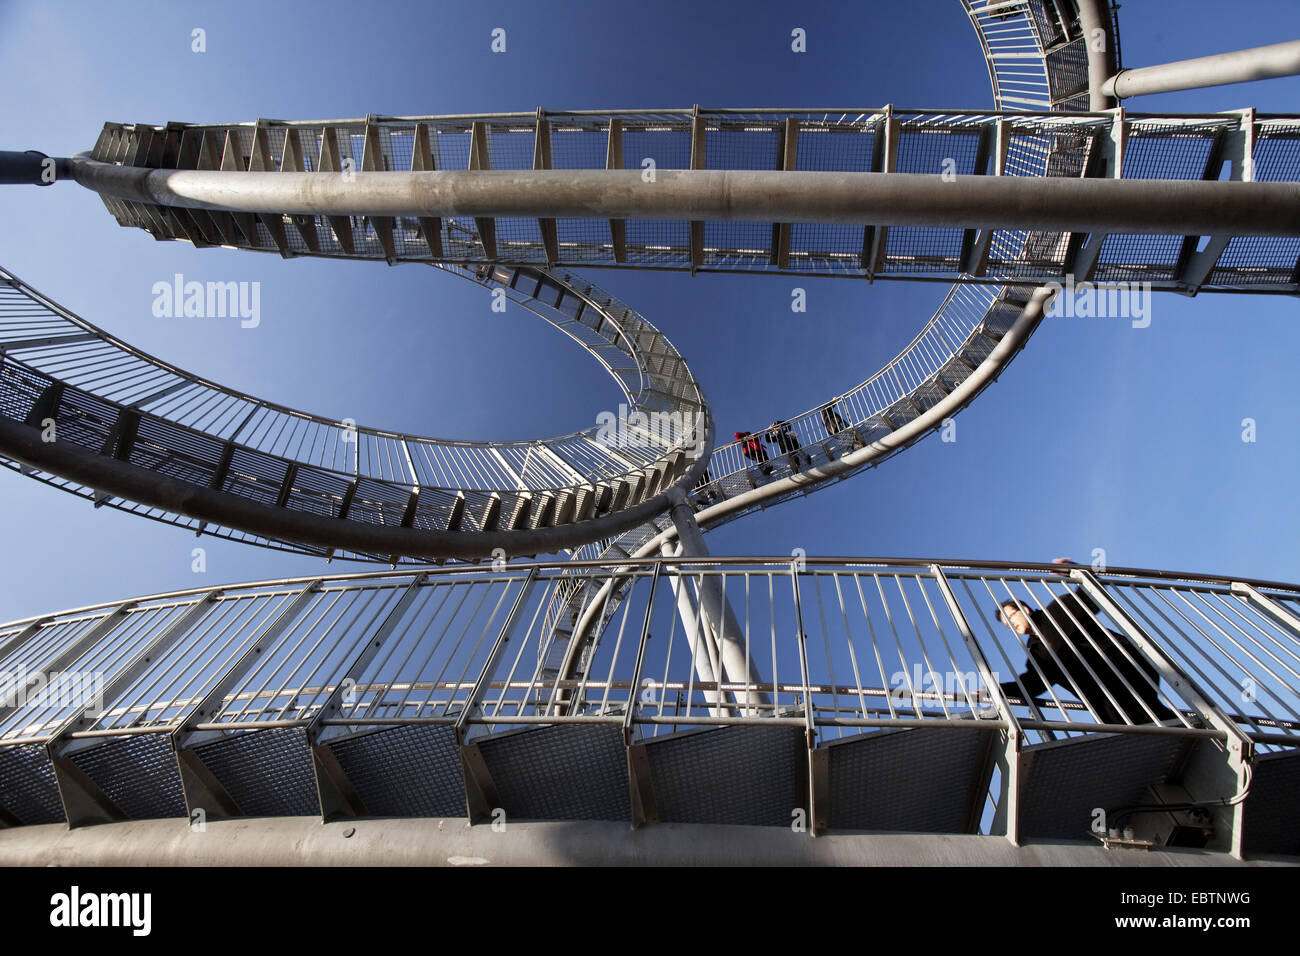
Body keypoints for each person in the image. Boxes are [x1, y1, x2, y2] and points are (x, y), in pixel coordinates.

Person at [993, 558, 1177, 726]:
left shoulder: (1058, 611)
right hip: (1104, 698)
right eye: (1006, 625)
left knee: (1144, 714)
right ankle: (1183, 728)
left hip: (1122, 665)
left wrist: (1076, 571)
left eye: (1010, 617)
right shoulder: (1037, 653)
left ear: (1024, 609)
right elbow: (1032, 684)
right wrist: (994, 690)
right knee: (1139, 721)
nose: (1011, 625)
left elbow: (1090, 598)